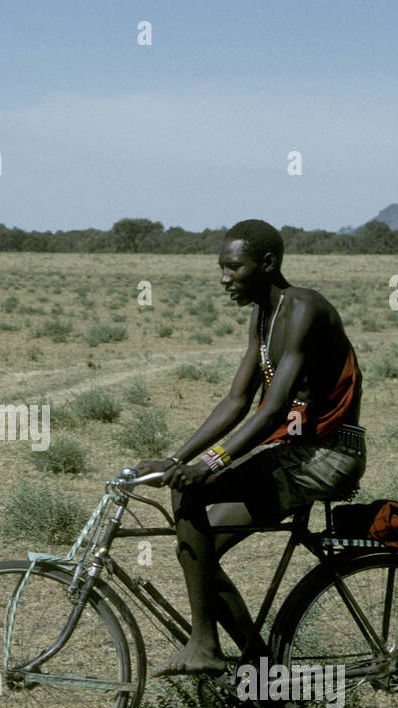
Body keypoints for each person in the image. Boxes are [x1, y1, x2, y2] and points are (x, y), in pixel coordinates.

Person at [132, 219, 366, 677]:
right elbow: (237, 400)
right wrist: (179, 460)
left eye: (233, 268)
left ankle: (210, 648)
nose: (223, 279)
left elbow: (273, 410)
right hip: (299, 451)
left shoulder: (302, 308)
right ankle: (259, 671)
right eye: (221, 268)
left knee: (195, 512)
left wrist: (210, 463)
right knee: (194, 540)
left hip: (327, 456)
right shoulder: (263, 315)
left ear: (267, 263)